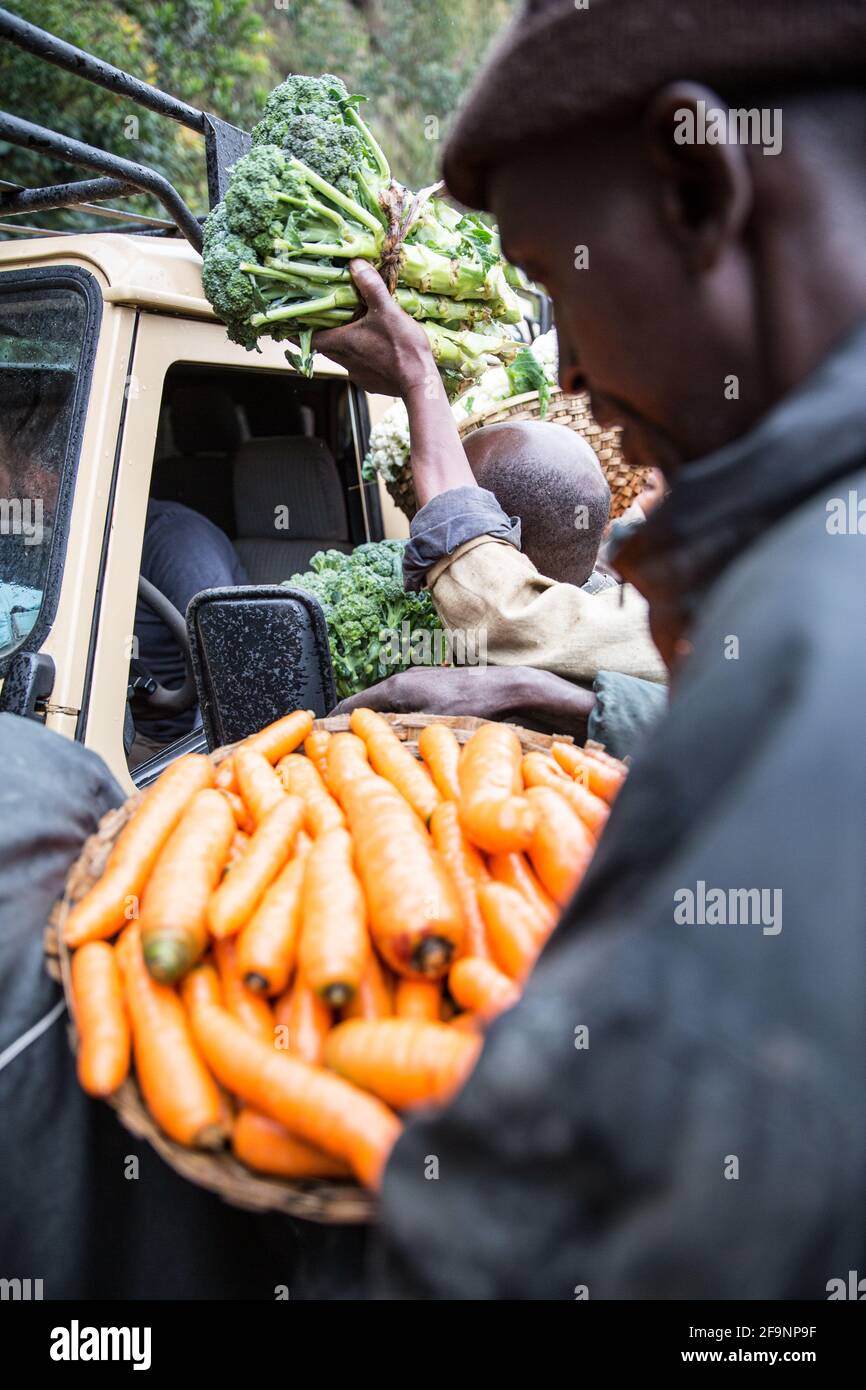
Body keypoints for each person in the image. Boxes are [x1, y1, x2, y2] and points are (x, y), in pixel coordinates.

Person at [313, 0, 866, 1298]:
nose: (563, 361)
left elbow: (535, 1255)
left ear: (696, 183)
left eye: (554, 280)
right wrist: (595, 719)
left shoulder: (814, 620)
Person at [130, 497, 249, 766]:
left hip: (163, 743)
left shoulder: (177, 540)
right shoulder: (68, 536)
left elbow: (225, 657)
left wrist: (207, 766)